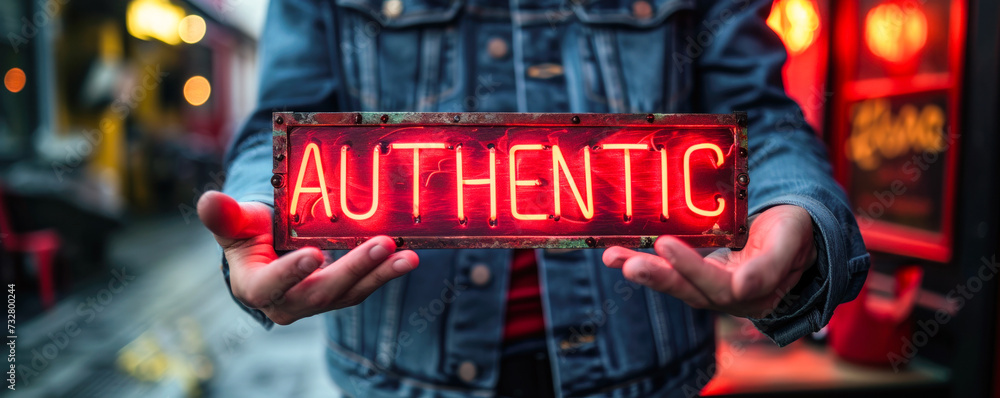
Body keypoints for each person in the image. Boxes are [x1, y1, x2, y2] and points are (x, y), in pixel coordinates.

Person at [197, 0, 870, 396]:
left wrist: (794, 208)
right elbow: (285, 122)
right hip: (398, 377)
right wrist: (266, 207)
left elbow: (759, 118)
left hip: (647, 377)